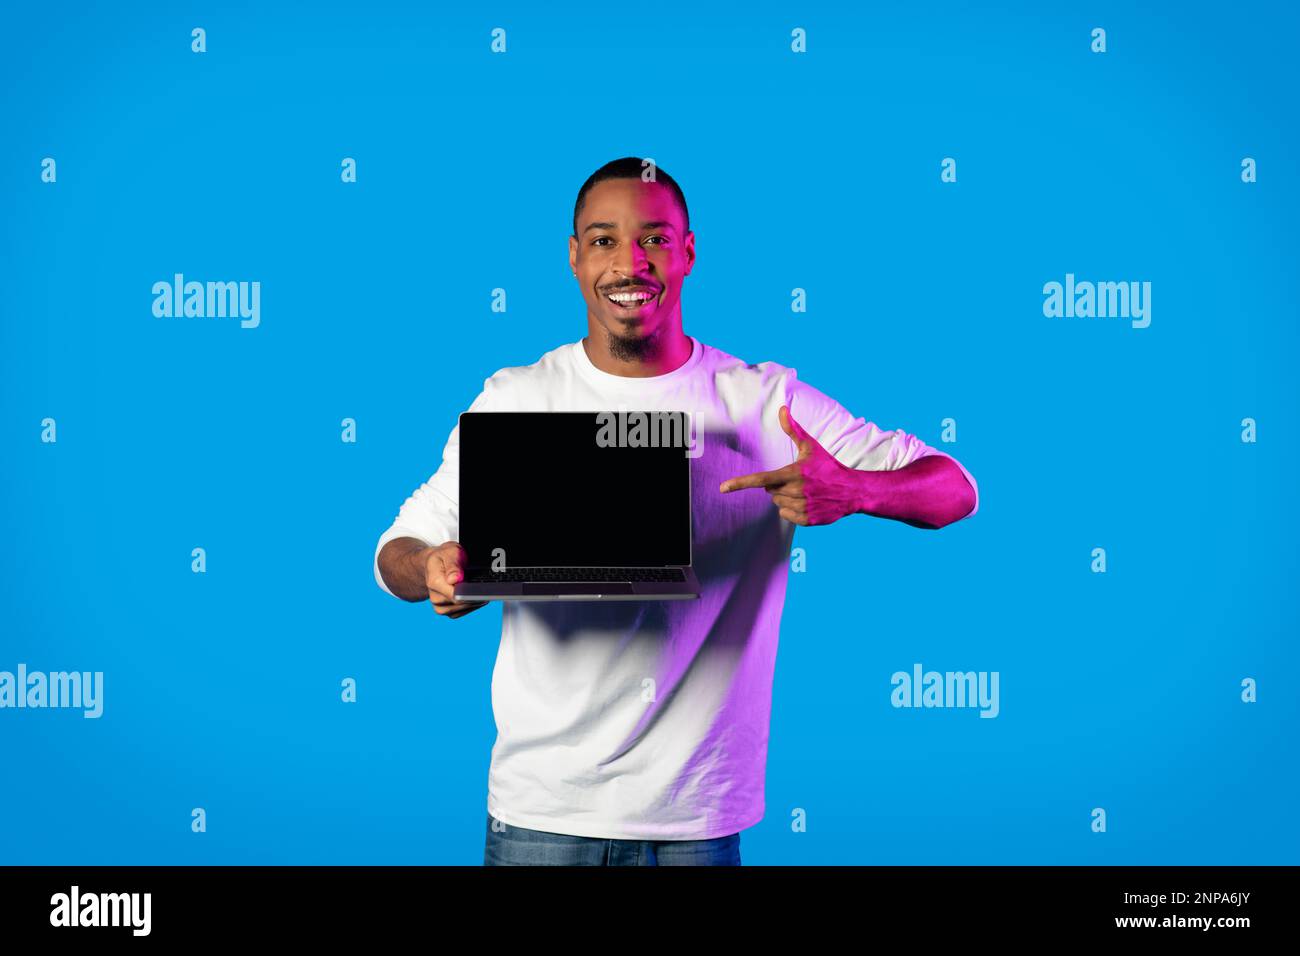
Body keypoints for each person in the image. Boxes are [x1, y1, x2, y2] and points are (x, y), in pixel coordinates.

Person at [373, 157, 979, 866]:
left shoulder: (764, 404)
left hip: (696, 818)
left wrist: (856, 489)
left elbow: (955, 490)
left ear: (688, 252)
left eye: (655, 238)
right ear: (573, 258)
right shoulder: (517, 398)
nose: (630, 262)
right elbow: (396, 552)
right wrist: (433, 568)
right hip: (541, 812)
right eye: (603, 240)